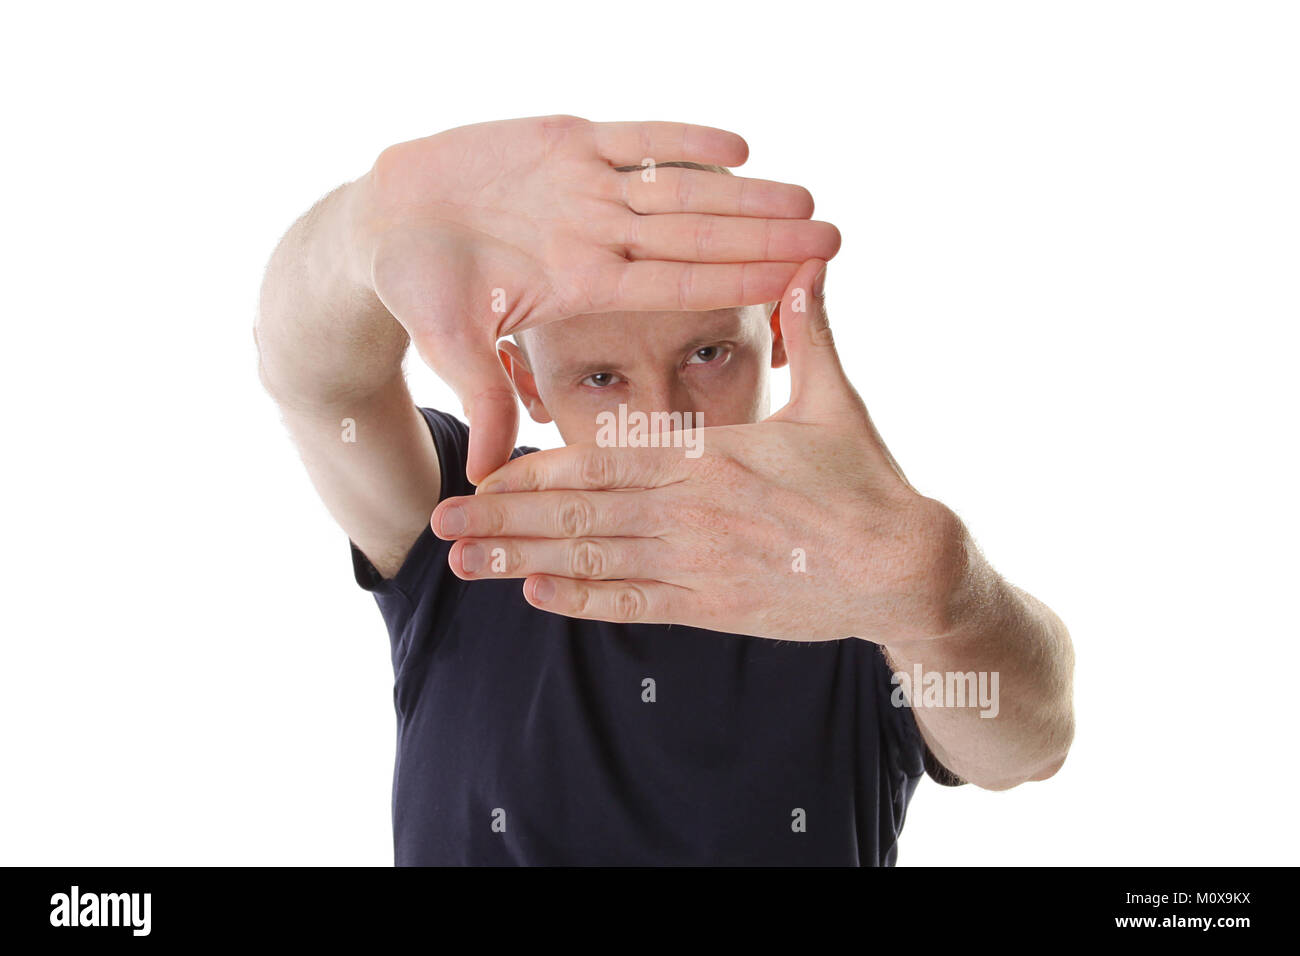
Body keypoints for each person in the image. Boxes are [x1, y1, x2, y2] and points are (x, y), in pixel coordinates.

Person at [255, 115, 1075, 865]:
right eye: (601, 377)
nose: (660, 423)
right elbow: (313, 379)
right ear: (527, 384)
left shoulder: (853, 560)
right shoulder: (466, 521)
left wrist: (941, 594)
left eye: (709, 355)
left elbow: (1031, 745)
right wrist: (366, 224)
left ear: (778, 332)